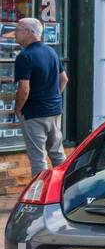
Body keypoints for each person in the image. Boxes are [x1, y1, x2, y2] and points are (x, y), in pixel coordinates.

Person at [14, 17, 67, 173]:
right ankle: (65, 189)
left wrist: (18, 108)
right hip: (54, 110)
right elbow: (64, 79)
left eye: (18, 29)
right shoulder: (51, 51)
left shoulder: (25, 56)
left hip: (34, 113)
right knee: (58, 154)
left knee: (38, 159)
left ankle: (41, 195)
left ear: (29, 32)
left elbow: (24, 89)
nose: (15, 33)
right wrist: (52, 97)